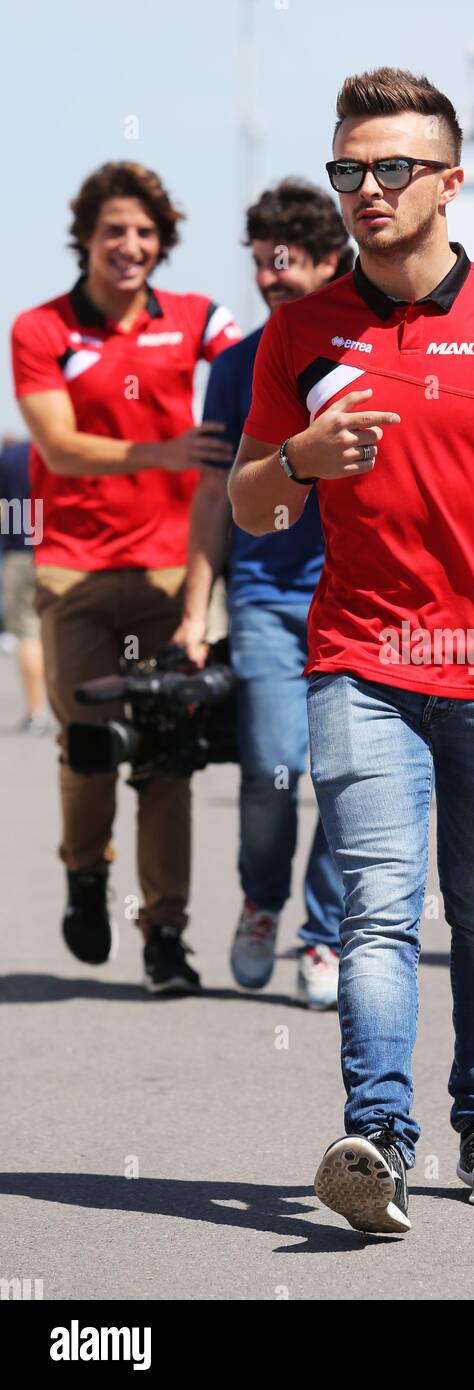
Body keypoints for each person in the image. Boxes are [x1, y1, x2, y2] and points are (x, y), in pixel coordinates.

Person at [228, 67, 474, 1234]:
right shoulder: (300, 332)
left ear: (449, 181)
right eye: (348, 169)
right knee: (378, 909)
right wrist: (297, 460)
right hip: (360, 660)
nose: (367, 188)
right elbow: (251, 506)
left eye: (392, 167)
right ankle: (380, 1141)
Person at [11, 161, 239, 993]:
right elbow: (60, 447)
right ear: (86, 237)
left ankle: (165, 935)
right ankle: (84, 872)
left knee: (167, 755)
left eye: (145, 232)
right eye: (114, 230)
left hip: (171, 573)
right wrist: (166, 451)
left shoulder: (196, 316)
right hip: (74, 573)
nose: (130, 245)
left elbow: (263, 359)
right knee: (88, 747)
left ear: (162, 242)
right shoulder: (41, 328)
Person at [173, 180, 350, 1006]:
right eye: (261, 263)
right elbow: (213, 495)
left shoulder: (364, 351)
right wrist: (193, 611)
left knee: (351, 775)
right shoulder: (235, 366)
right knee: (274, 767)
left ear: (330, 260)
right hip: (266, 597)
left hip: (357, 598)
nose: (272, 277)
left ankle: (323, 934)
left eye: (287, 262)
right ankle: (260, 902)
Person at [0, 436, 49, 732]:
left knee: (28, 634)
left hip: (21, 551)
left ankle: (36, 712)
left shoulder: (10, 458)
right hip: (61, 552)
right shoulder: (60, 450)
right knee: (70, 632)